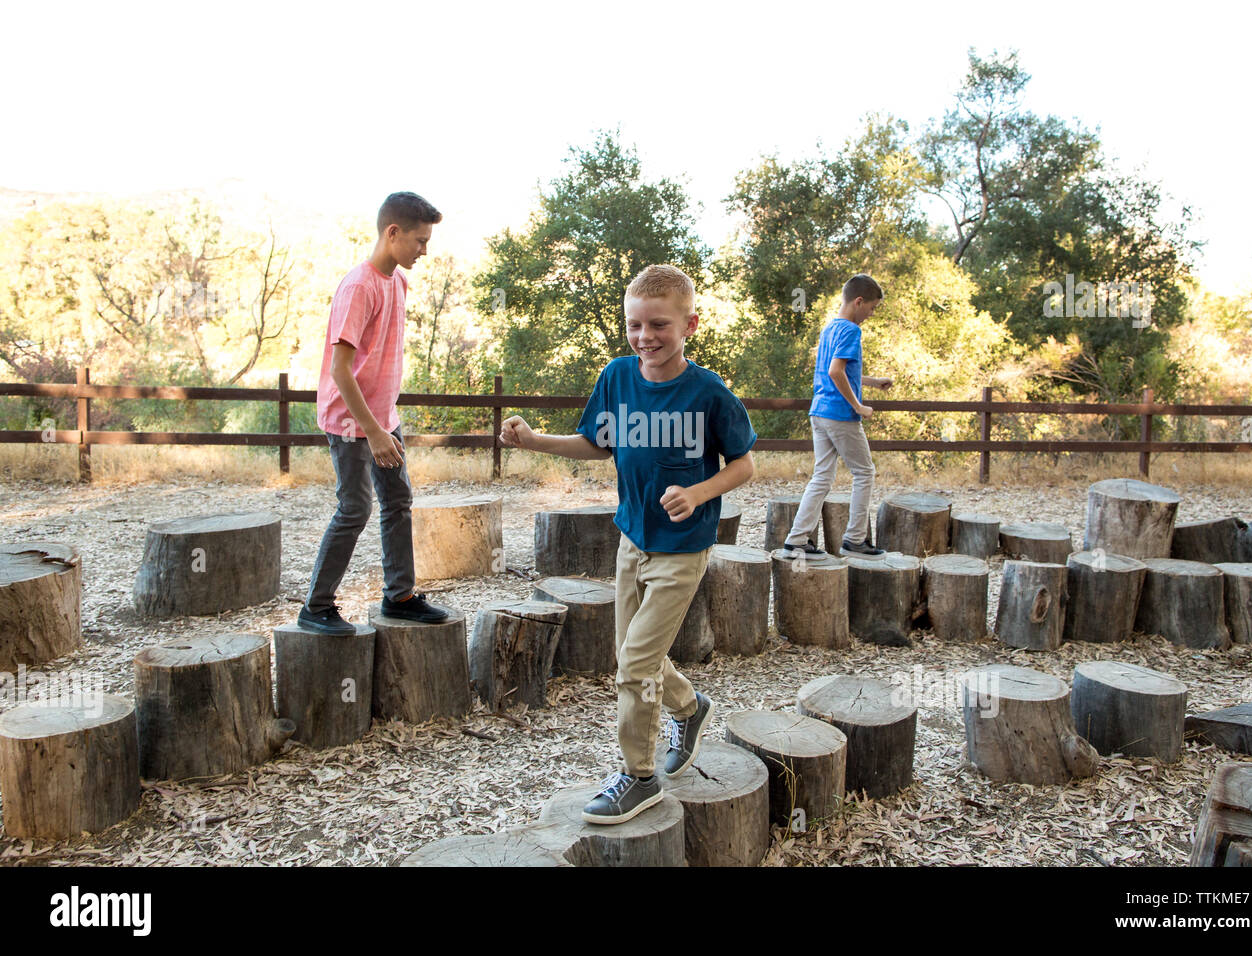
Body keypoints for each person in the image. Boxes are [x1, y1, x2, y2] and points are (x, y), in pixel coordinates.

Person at [500, 264, 756, 824]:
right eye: (635, 325)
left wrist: (699, 492)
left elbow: (744, 464)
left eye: (659, 325)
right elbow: (597, 445)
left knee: (635, 665)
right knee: (633, 655)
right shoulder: (617, 378)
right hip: (632, 539)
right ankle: (690, 709)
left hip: (683, 547)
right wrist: (534, 440)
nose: (646, 337)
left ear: (690, 323)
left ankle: (639, 779)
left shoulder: (708, 392)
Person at [298, 192, 453, 635]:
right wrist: (373, 433)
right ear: (393, 233)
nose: (425, 250)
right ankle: (316, 607)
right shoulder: (359, 286)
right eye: (420, 241)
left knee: (398, 501)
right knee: (354, 509)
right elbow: (339, 370)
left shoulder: (397, 282)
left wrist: (385, 425)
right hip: (352, 422)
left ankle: (399, 596)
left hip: (384, 417)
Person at [780, 274, 892, 562]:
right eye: (872, 308)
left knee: (822, 476)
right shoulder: (852, 331)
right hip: (840, 414)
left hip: (820, 411)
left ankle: (796, 541)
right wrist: (858, 406)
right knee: (864, 472)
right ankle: (855, 540)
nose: (871, 314)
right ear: (858, 301)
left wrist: (873, 381)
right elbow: (835, 372)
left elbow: (842, 371)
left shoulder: (830, 329)